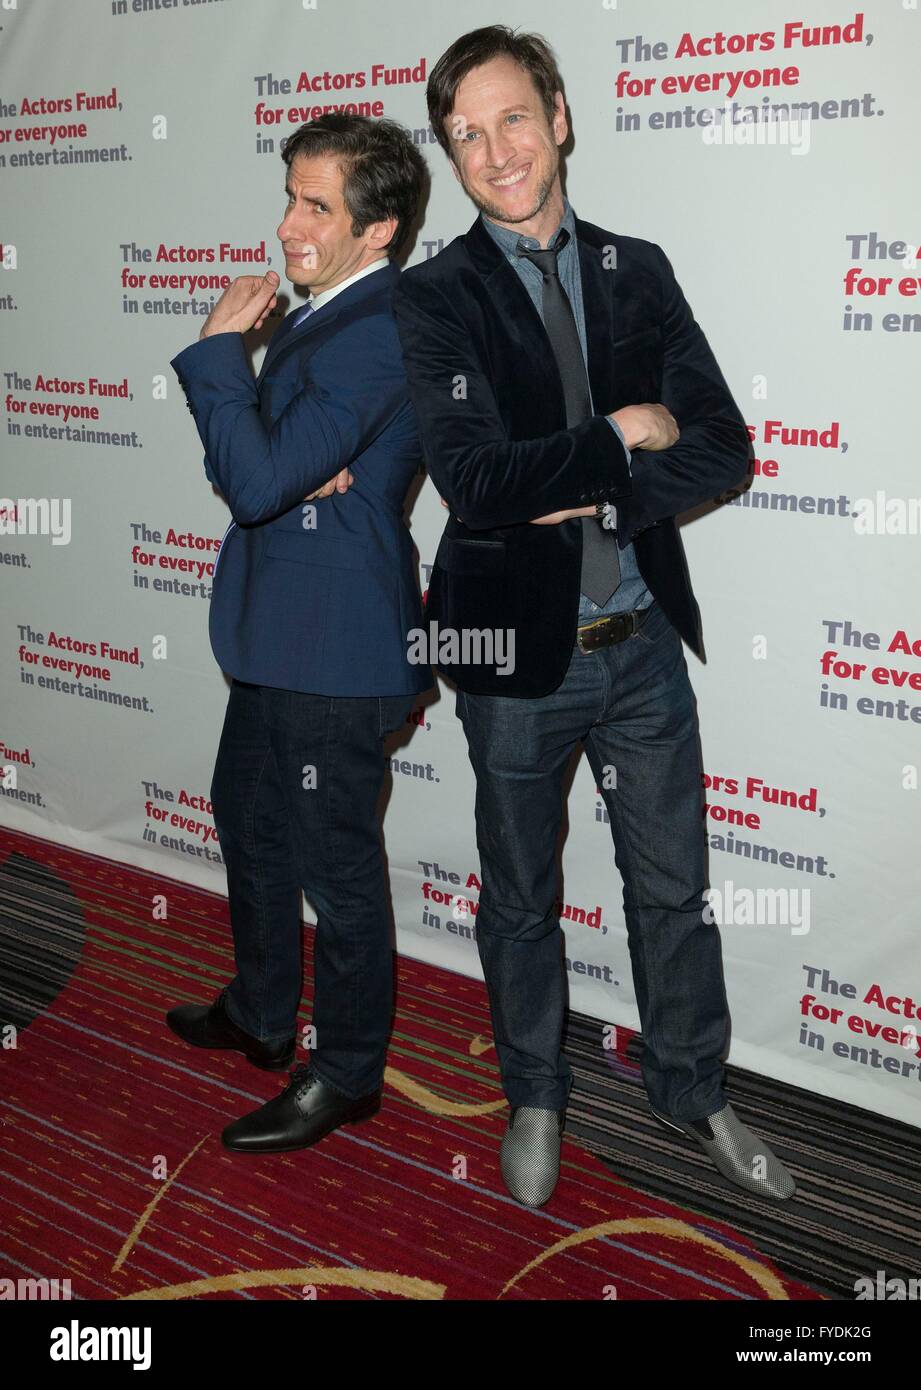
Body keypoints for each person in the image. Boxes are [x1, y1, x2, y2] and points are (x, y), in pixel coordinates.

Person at [391, 26, 795, 1206]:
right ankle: (536, 1092)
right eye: (467, 135)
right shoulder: (436, 296)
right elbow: (474, 483)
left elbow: (724, 447)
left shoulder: (640, 269)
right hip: (510, 656)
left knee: (672, 887)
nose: (495, 150)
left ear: (560, 118)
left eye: (512, 118)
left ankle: (692, 1083)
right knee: (519, 893)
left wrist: (572, 471)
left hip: (644, 647)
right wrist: (622, 434)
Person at [166, 114, 433, 1154]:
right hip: (279, 637)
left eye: (315, 205)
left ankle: (349, 1072)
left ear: (379, 229)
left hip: (334, 649)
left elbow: (258, 474)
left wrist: (216, 357)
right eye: (290, 194)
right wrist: (262, 446)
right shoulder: (324, 317)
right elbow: (251, 480)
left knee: (338, 868)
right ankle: (265, 1013)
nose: (285, 222)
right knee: (249, 816)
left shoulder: (382, 324)